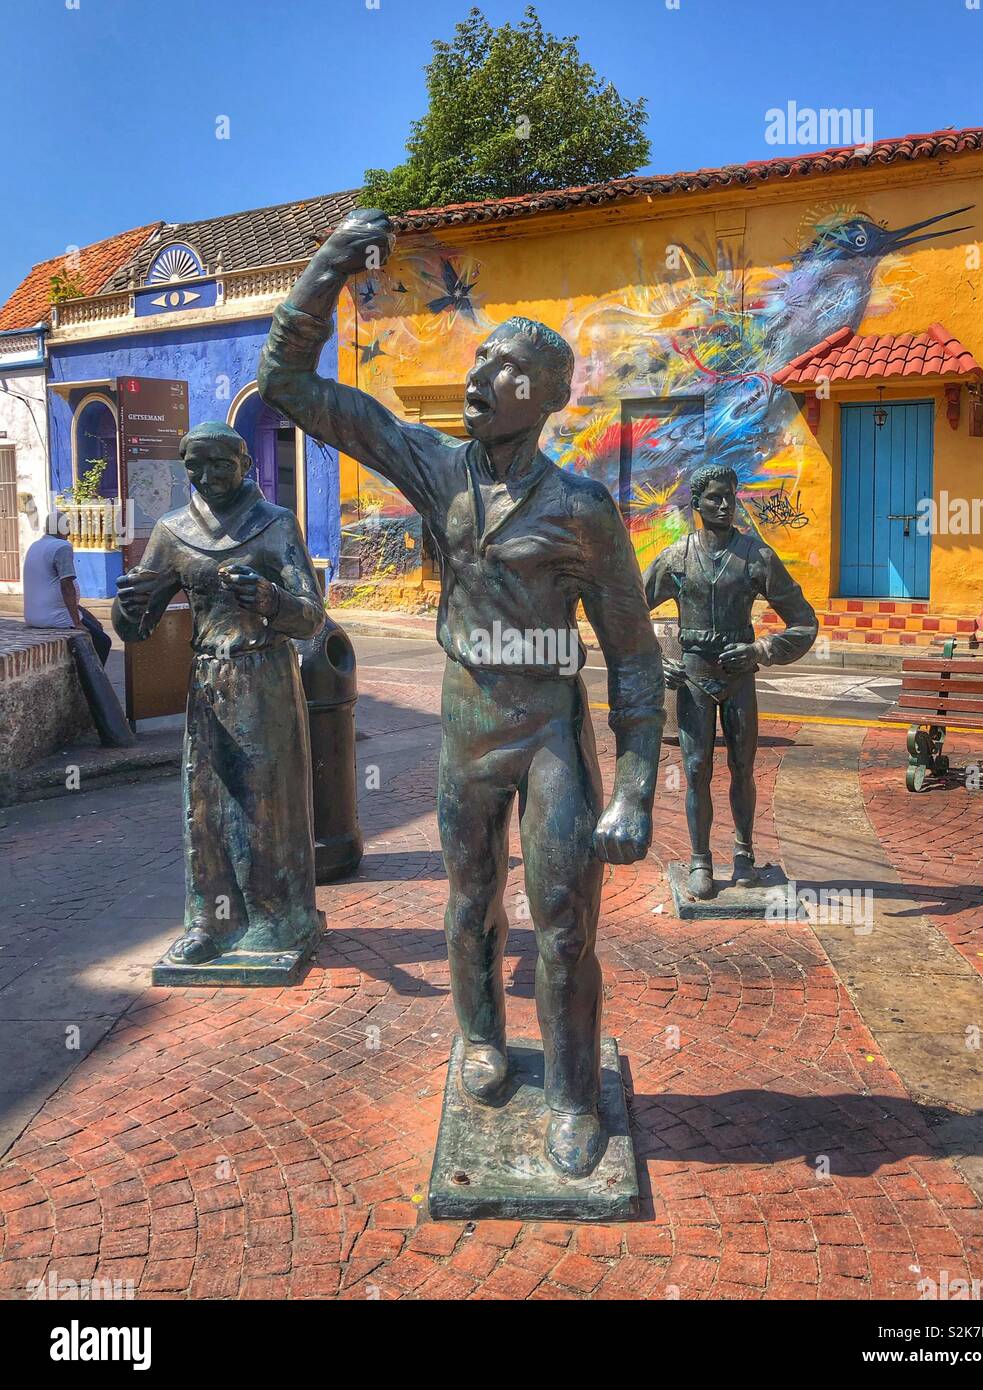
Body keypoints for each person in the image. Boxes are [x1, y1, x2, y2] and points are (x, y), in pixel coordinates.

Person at [258, 209, 665, 1178]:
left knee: (565, 915)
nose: (482, 381)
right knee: (471, 893)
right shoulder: (433, 466)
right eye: (479, 363)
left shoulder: (583, 511)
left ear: (551, 397)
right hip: (465, 720)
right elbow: (288, 383)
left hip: (551, 728)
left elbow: (635, 657)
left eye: (509, 371)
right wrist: (327, 266)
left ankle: (572, 1092)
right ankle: (481, 1036)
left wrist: (638, 783)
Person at [112, 422, 325, 974]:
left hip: (266, 679)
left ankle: (278, 918)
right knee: (204, 805)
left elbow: (311, 616)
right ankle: (210, 923)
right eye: (194, 467)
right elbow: (136, 629)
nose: (206, 478)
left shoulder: (275, 526)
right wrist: (129, 604)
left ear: (245, 465)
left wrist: (271, 599)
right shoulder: (172, 531)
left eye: (219, 466)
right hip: (208, 681)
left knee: (266, 804)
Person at [644, 463, 818, 899]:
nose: (724, 505)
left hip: (740, 677)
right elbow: (624, 615)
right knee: (696, 768)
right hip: (694, 678)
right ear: (696, 503)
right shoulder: (675, 557)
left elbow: (804, 624)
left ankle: (744, 854)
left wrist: (760, 650)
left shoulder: (757, 557)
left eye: (730, 496)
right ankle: (700, 859)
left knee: (742, 767)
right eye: (713, 498)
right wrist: (652, 660)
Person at [23, 527, 112, 666]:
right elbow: (67, 587)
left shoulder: (36, 546)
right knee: (103, 642)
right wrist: (77, 623)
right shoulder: (62, 547)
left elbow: (69, 599)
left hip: (35, 615)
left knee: (96, 626)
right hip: (56, 618)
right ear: (61, 530)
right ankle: (91, 686)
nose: (70, 532)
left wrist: (90, 617)